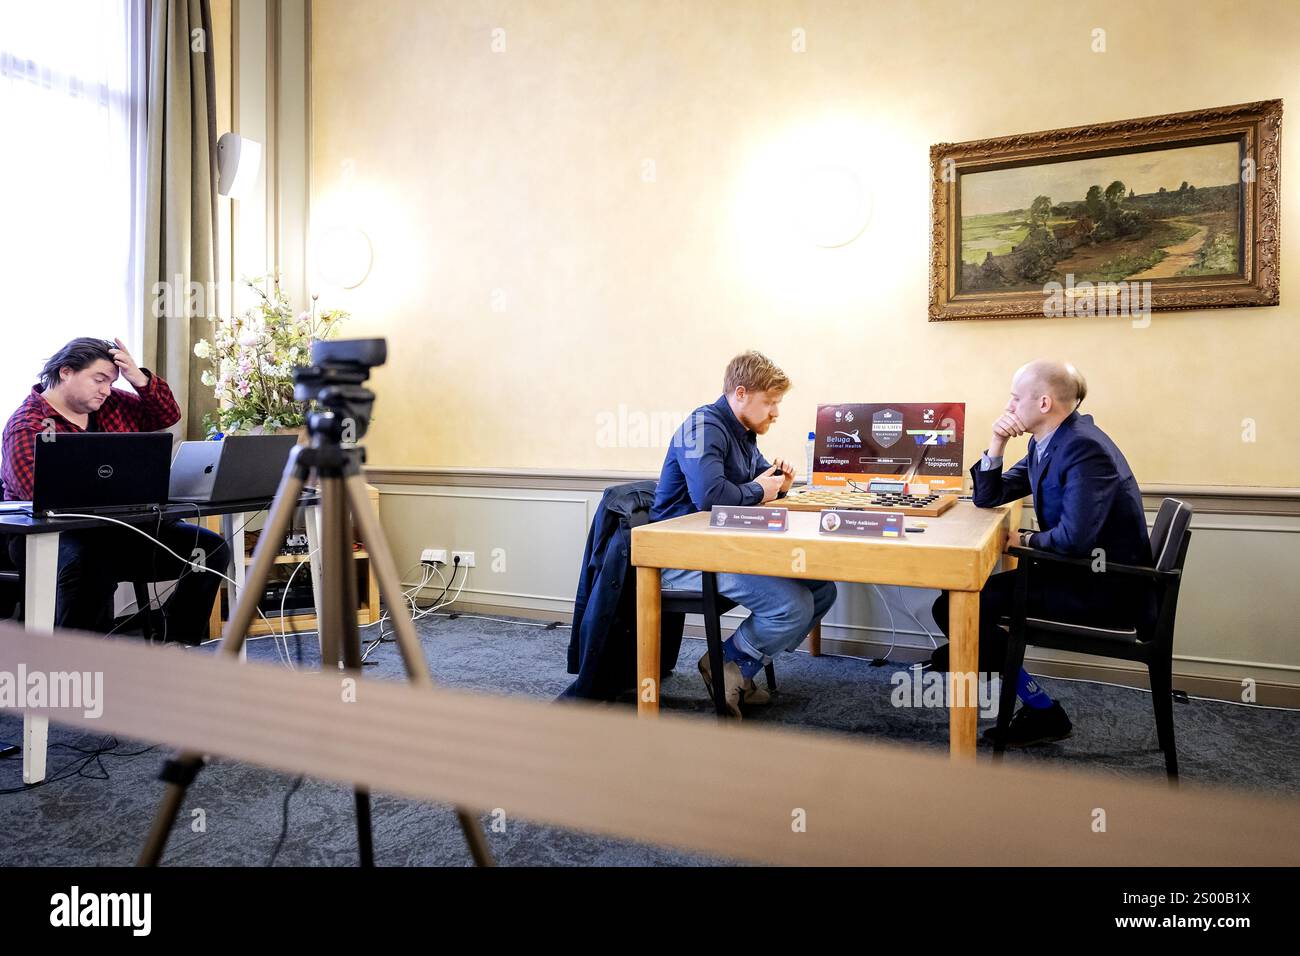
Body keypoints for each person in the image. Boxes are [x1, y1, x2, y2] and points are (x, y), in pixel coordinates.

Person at [929, 360, 1155, 746]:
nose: (1009, 405)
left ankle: (1040, 708)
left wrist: (1026, 541)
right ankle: (980, 657)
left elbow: (1073, 540)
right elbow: (989, 496)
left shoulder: (1084, 448)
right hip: (1076, 574)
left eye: (1016, 398)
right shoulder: (1048, 441)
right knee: (955, 610)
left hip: (1104, 588)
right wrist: (997, 444)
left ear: (1045, 402)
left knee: (958, 610)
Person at [2, 337, 229, 643]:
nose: (106, 390)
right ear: (67, 372)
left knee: (210, 549)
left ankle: (174, 641)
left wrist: (138, 378)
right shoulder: (28, 424)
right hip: (51, 537)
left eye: (111, 381)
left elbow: (166, 415)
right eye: (99, 379)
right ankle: (75, 661)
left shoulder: (112, 404)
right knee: (91, 561)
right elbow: (33, 490)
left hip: (120, 530)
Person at [652, 350, 837, 716]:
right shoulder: (701, 428)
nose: (775, 412)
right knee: (793, 605)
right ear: (740, 393)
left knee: (822, 589)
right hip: (682, 557)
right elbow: (711, 495)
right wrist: (761, 490)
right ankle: (727, 667)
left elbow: (756, 479)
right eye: (769, 402)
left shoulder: (743, 433)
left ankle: (735, 667)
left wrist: (779, 483)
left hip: (721, 550)